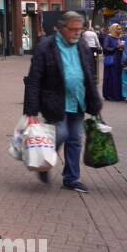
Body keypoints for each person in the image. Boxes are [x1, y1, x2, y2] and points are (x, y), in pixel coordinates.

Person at [23, 11, 102, 193]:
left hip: (78, 100)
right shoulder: (46, 46)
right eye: (73, 29)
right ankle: (44, 163)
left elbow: (90, 74)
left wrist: (95, 101)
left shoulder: (81, 45)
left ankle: (71, 178)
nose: (76, 33)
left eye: (79, 30)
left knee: (75, 140)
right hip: (55, 101)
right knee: (62, 133)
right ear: (62, 28)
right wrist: (31, 112)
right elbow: (34, 80)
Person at [102, 24, 125, 101]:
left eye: (120, 29)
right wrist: (116, 48)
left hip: (119, 59)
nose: (120, 30)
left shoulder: (121, 37)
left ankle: (119, 94)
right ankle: (110, 95)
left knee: (119, 77)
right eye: (118, 29)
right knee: (111, 77)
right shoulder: (108, 37)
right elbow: (105, 48)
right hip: (112, 60)